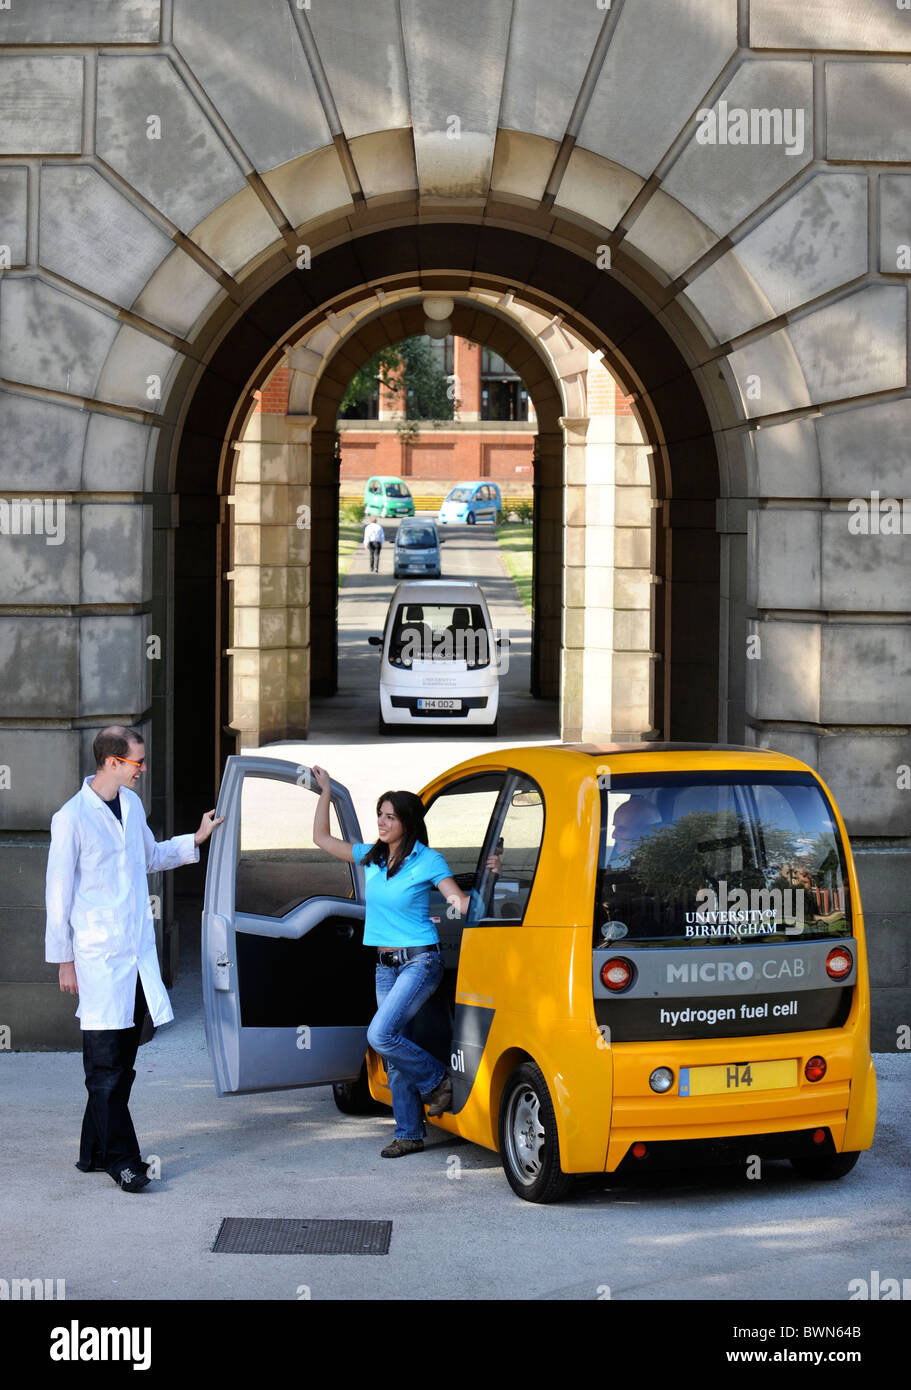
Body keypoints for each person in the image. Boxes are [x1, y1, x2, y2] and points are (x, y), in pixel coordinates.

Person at [45, 725, 223, 1192]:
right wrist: (64, 960)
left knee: (121, 1065)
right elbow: (57, 895)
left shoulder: (131, 805)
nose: (142, 771)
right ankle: (123, 1162)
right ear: (111, 762)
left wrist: (197, 839)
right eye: (136, 764)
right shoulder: (71, 818)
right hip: (98, 958)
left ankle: (93, 1150)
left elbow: (149, 857)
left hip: (136, 954)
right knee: (103, 1066)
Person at [312, 768, 501, 1157]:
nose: (381, 822)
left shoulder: (428, 860)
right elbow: (321, 839)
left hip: (420, 964)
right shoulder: (372, 856)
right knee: (396, 1048)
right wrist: (326, 792)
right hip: (385, 965)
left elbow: (460, 903)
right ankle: (410, 1132)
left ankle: (438, 1082)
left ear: (407, 823)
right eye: (379, 814)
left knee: (381, 1035)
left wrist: (489, 882)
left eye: (390, 817)